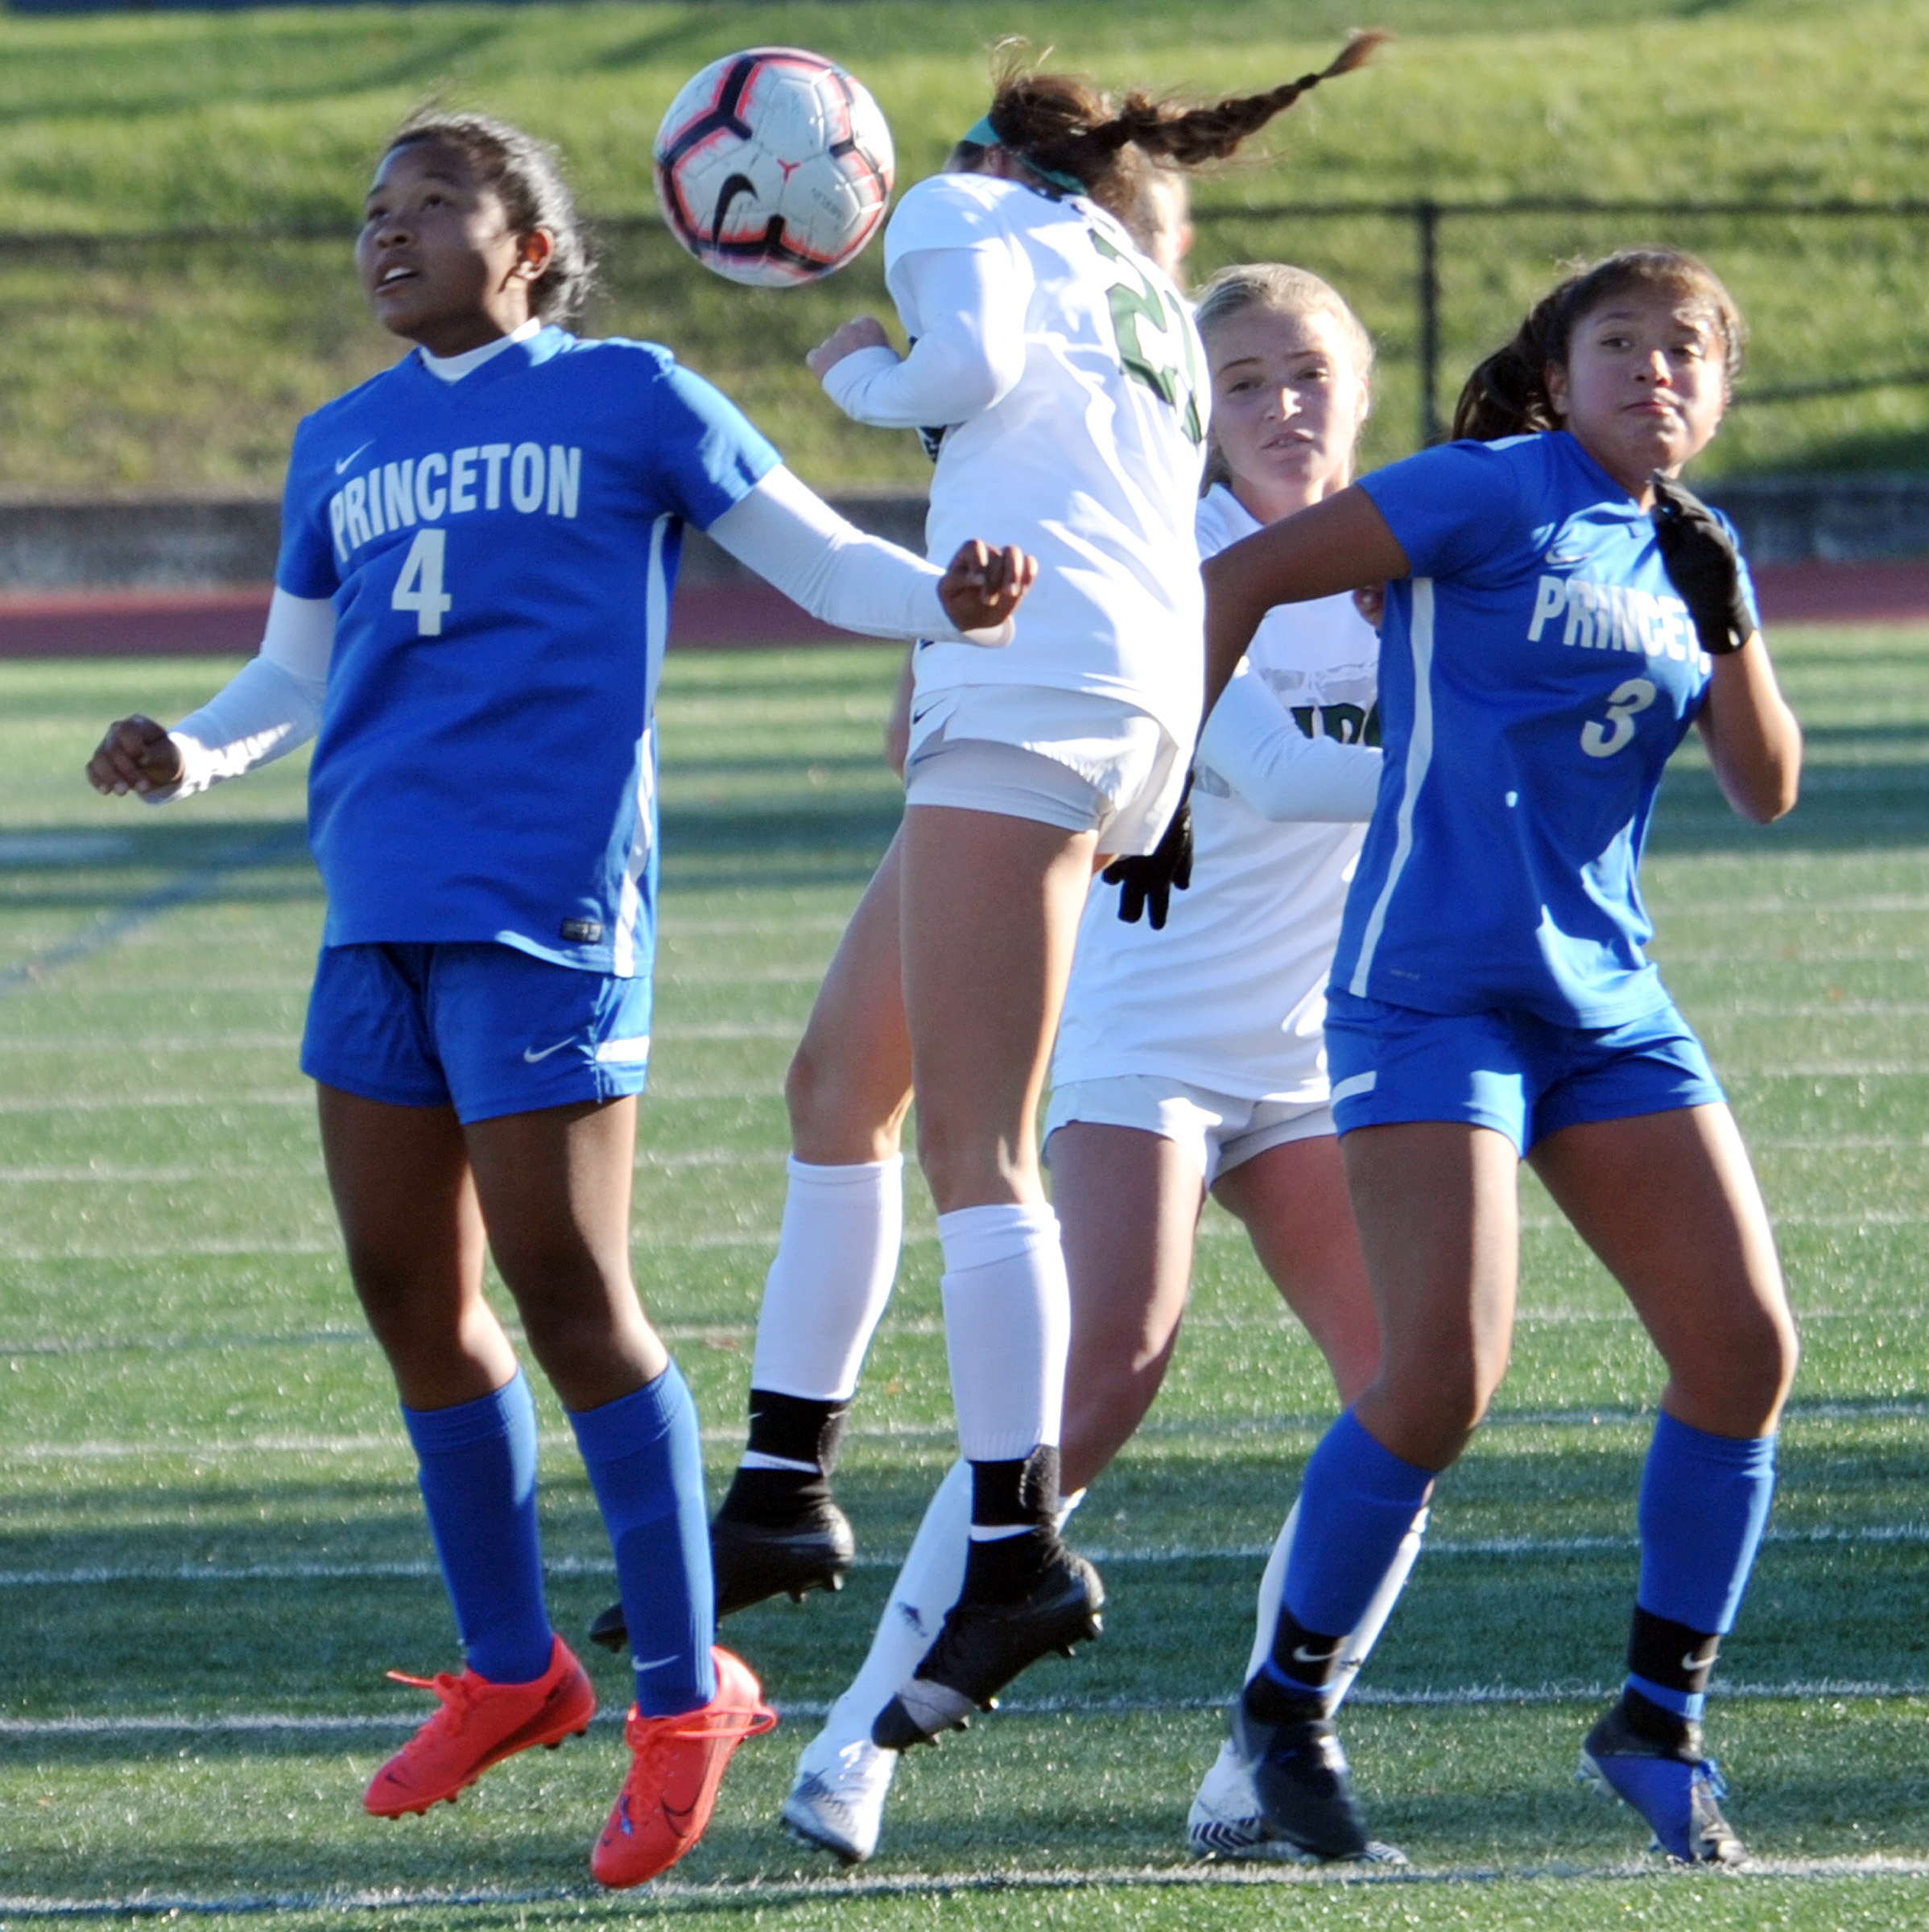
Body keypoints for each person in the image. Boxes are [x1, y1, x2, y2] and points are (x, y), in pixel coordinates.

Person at [83, 109, 1033, 1890]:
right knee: (409, 1297)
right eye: (376, 208)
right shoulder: (337, 440)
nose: (392, 230)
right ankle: (518, 1670)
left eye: (435, 203)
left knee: (572, 1292)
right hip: (377, 908)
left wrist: (950, 601)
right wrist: (192, 752)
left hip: (547, 911)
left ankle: (687, 1699)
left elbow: (819, 555)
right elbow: (293, 669)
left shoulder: (633, 395)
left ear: (528, 246)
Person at [601, 39, 1387, 1769]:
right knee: (839, 1087)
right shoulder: (1142, 290)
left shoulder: (970, 216)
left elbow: (959, 361)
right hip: (1098, 702)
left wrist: (866, 373)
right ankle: (786, 1485)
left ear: (965, 156)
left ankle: (1018, 1546)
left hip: (1036, 698)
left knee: (979, 1154)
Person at [778, 262, 1431, 1868]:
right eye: (1249, 380)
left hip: (1318, 1056)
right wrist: (1475, 753)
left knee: (1411, 1396)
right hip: (1148, 1043)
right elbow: (1270, 766)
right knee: (1100, 1379)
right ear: (1197, 409)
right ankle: (861, 1736)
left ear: (1359, 394)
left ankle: (1267, 1759)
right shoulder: (1171, 553)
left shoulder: (1398, 556)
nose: (1284, 406)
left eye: (1310, 376)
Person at [1198, 247, 1803, 1865]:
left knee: (1744, 1348)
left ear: (1720, 394)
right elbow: (1237, 579)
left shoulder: (1694, 550)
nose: (1660, 370)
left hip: (1606, 1005)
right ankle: (1285, 1712)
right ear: (1562, 364)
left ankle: (1658, 1721)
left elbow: (1767, 786)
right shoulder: (1481, 491)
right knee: (1441, 1380)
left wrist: (1728, 612)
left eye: (1691, 352)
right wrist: (1154, 777)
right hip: (1432, 993)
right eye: (1626, 342)